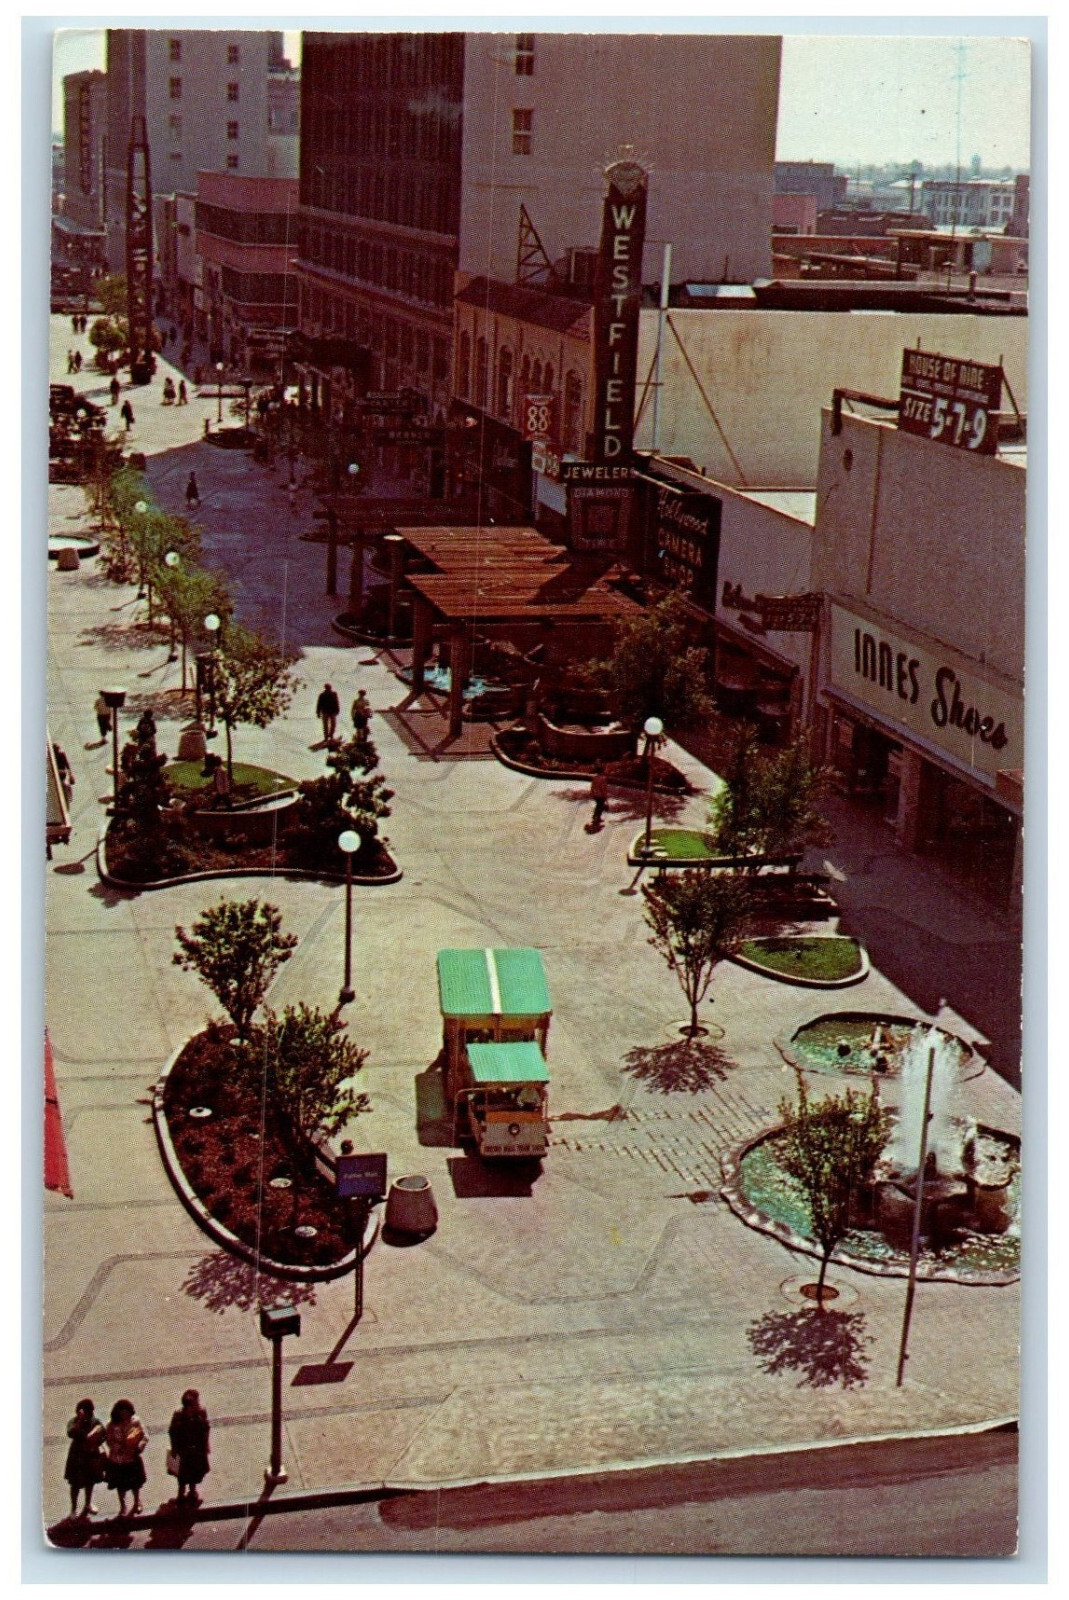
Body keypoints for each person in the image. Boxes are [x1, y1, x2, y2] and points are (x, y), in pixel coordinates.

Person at [103, 1398, 147, 1518]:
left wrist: (139, 1445)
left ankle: (137, 1501)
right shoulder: (111, 1425)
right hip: (117, 1460)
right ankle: (123, 1506)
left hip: (132, 1458)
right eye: (122, 1412)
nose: (124, 1414)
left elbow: (144, 1436)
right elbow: (108, 1440)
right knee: (120, 1485)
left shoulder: (135, 1422)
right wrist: (118, 1447)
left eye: (126, 1411)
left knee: (135, 1483)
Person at [64, 1398, 105, 1520]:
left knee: (90, 1482)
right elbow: (70, 1433)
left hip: (91, 1456)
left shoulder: (95, 1422)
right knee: (75, 1484)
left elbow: (103, 1435)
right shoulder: (74, 1421)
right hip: (77, 1457)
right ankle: (73, 1509)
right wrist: (80, 1422)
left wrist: (96, 1441)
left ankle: (88, 1504)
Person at [168, 1389, 210, 1506]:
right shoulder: (178, 1415)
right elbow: (172, 1432)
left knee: (195, 1472)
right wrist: (174, 1449)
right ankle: (180, 1495)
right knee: (181, 1474)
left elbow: (206, 1429)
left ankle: (192, 1492)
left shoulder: (201, 1413)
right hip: (182, 1450)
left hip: (197, 1449)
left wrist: (206, 1445)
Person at [588, 762, 609, 830]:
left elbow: (592, 786)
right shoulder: (603, 778)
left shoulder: (595, 778)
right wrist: (605, 796)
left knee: (598, 805)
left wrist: (592, 793)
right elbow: (603, 788)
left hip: (595, 795)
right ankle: (597, 818)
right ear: (602, 771)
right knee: (600, 807)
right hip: (601, 795)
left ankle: (595, 817)